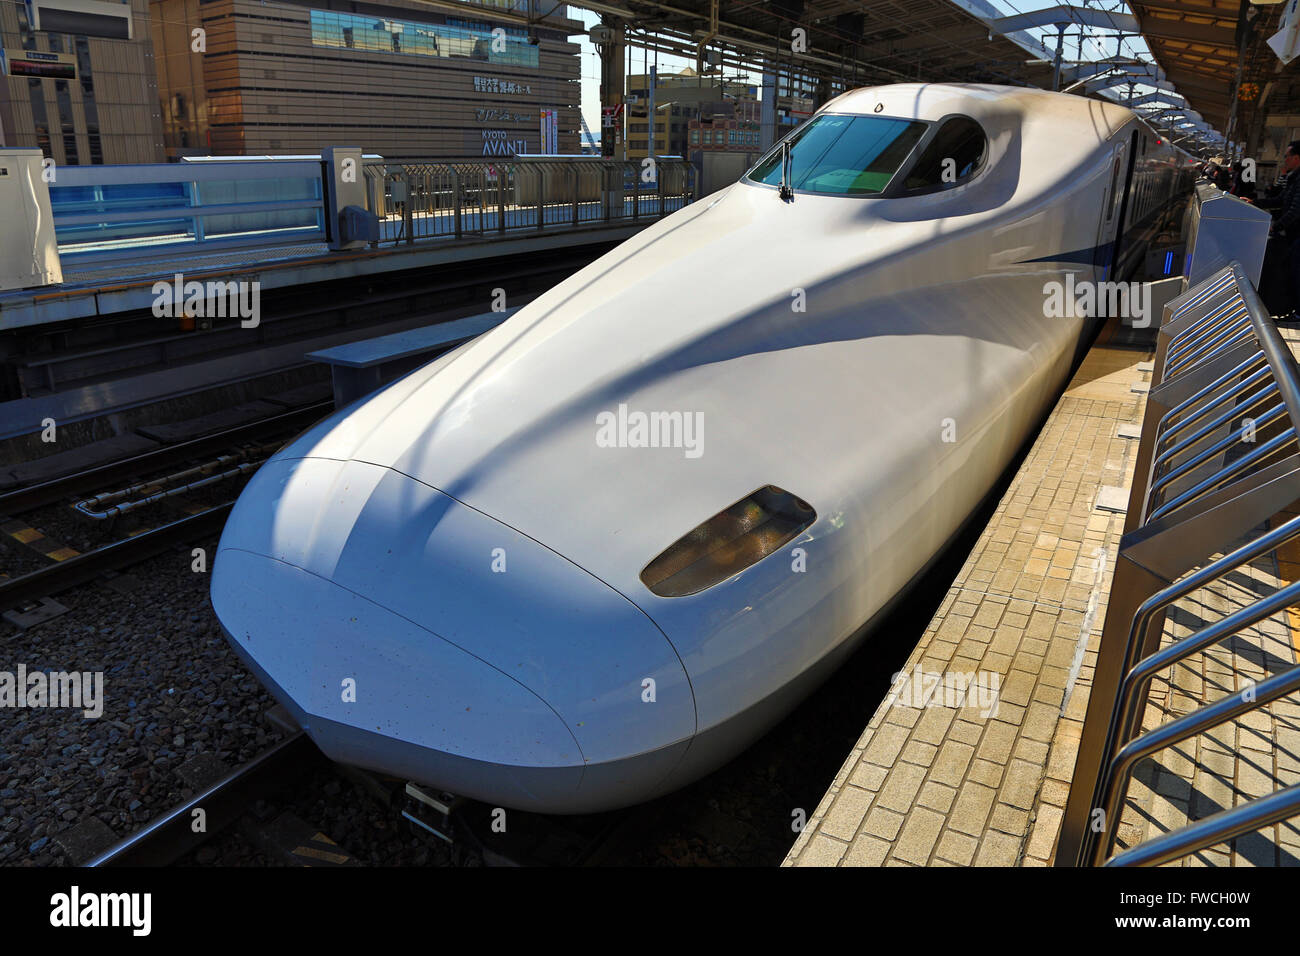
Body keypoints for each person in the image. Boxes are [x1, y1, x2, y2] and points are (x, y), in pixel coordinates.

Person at [1260, 141, 1300, 316]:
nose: (1284, 160)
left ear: (1296, 158)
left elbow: (1295, 210)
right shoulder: (1294, 178)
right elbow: (1280, 200)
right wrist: (1254, 203)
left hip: (1298, 235)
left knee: (1296, 272)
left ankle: (1298, 313)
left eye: (1286, 156)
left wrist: (1275, 227)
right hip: (1292, 235)